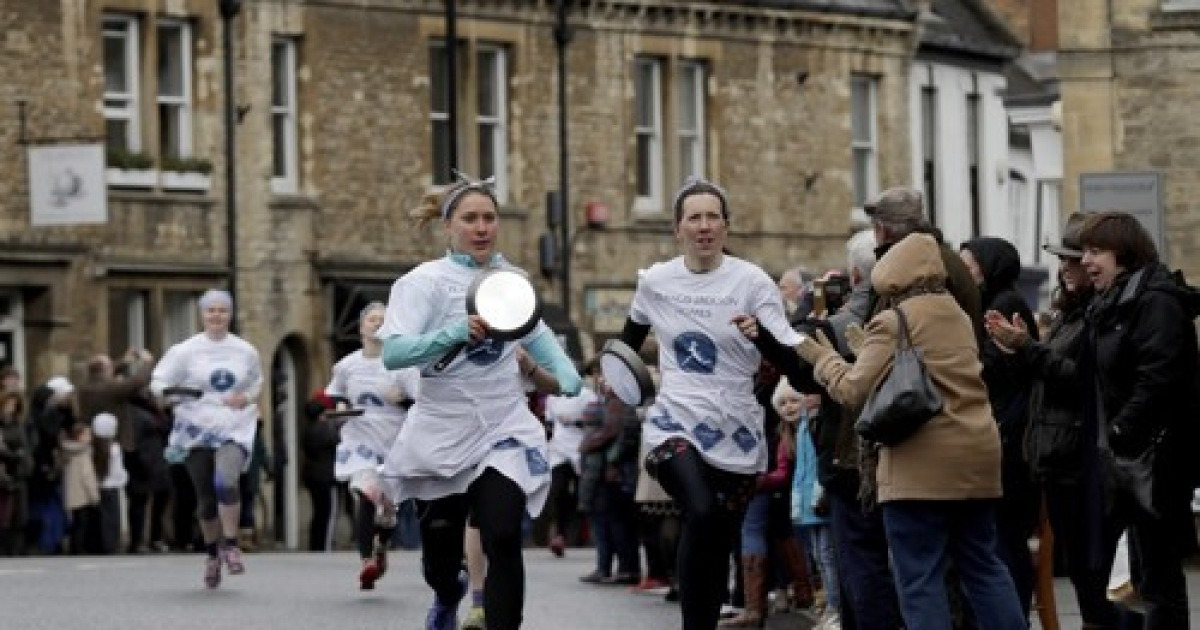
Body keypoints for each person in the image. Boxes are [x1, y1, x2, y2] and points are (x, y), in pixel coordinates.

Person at [737, 232, 1026, 629]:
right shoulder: (958, 314)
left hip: (921, 469)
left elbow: (853, 389)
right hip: (977, 460)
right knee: (984, 567)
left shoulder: (895, 319)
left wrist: (822, 357)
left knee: (919, 576)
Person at [377, 175, 581, 630]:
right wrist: (451, 333)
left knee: (503, 532)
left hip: (502, 422)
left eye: (490, 218)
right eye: (470, 218)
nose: (482, 227)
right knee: (440, 557)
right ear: (449, 225)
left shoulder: (512, 279)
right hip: (441, 425)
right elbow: (393, 353)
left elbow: (535, 332)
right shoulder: (423, 283)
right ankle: (448, 594)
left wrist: (565, 371)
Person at [614, 176, 803, 630]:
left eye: (712, 217)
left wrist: (761, 338)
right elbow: (628, 341)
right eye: (693, 217)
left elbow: (791, 359)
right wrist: (615, 374)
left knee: (718, 538)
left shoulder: (752, 283)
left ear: (726, 226)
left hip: (737, 431)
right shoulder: (657, 281)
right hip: (673, 422)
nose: (703, 226)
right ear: (678, 228)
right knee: (699, 509)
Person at [985, 212, 1121, 627]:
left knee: (1097, 574)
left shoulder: (1094, 316)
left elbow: (1073, 376)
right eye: (1062, 260)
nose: (1064, 268)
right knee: (1083, 572)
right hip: (1057, 459)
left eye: (1072, 259)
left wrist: (1026, 347)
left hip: (1081, 460)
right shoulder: (1070, 314)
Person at [1078, 212, 1197, 627]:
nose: (1086, 261)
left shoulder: (1154, 301)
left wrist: (1119, 428)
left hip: (1157, 459)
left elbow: (1158, 378)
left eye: (1096, 251)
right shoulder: (1114, 302)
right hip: (1134, 457)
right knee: (1144, 577)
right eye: (1084, 251)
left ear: (1123, 254)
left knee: (1160, 578)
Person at [151, 288, 263, 588]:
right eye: (210, 310)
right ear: (201, 315)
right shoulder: (185, 351)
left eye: (222, 310)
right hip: (195, 428)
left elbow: (256, 382)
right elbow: (159, 381)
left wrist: (247, 396)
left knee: (226, 480)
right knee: (205, 499)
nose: (216, 315)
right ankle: (212, 554)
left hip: (233, 426)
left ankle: (230, 543)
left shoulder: (245, 350)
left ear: (230, 314)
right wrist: (169, 395)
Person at [959, 236, 1041, 621]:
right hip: (1004, 433)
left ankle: (1012, 616)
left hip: (1009, 438)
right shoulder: (989, 303)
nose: (962, 268)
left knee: (1005, 541)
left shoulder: (1003, 305)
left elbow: (1000, 369)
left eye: (969, 261)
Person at [325, 301, 421, 590]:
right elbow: (334, 394)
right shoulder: (346, 366)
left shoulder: (402, 365)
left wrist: (403, 399)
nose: (377, 324)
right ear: (361, 327)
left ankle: (381, 547)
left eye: (383, 320)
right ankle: (366, 561)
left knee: (387, 511)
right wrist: (340, 405)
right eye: (372, 320)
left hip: (394, 440)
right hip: (359, 438)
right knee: (365, 493)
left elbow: (423, 402)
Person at [775, 381, 840, 630]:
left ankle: (835, 610)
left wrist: (816, 494)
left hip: (817, 500)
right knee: (818, 556)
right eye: (782, 403)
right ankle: (828, 607)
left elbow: (815, 467)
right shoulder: (797, 430)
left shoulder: (812, 424)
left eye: (794, 400)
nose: (789, 407)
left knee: (826, 555)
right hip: (807, 502)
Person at [91, 412, 127, 554]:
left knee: (100, 517)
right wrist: (123, 479)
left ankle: (99, 544)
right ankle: (111, 544)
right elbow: (118, 470)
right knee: (112, 518)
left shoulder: (93, 447)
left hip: (98, 486)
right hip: (112, 486)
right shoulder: (114, 448)